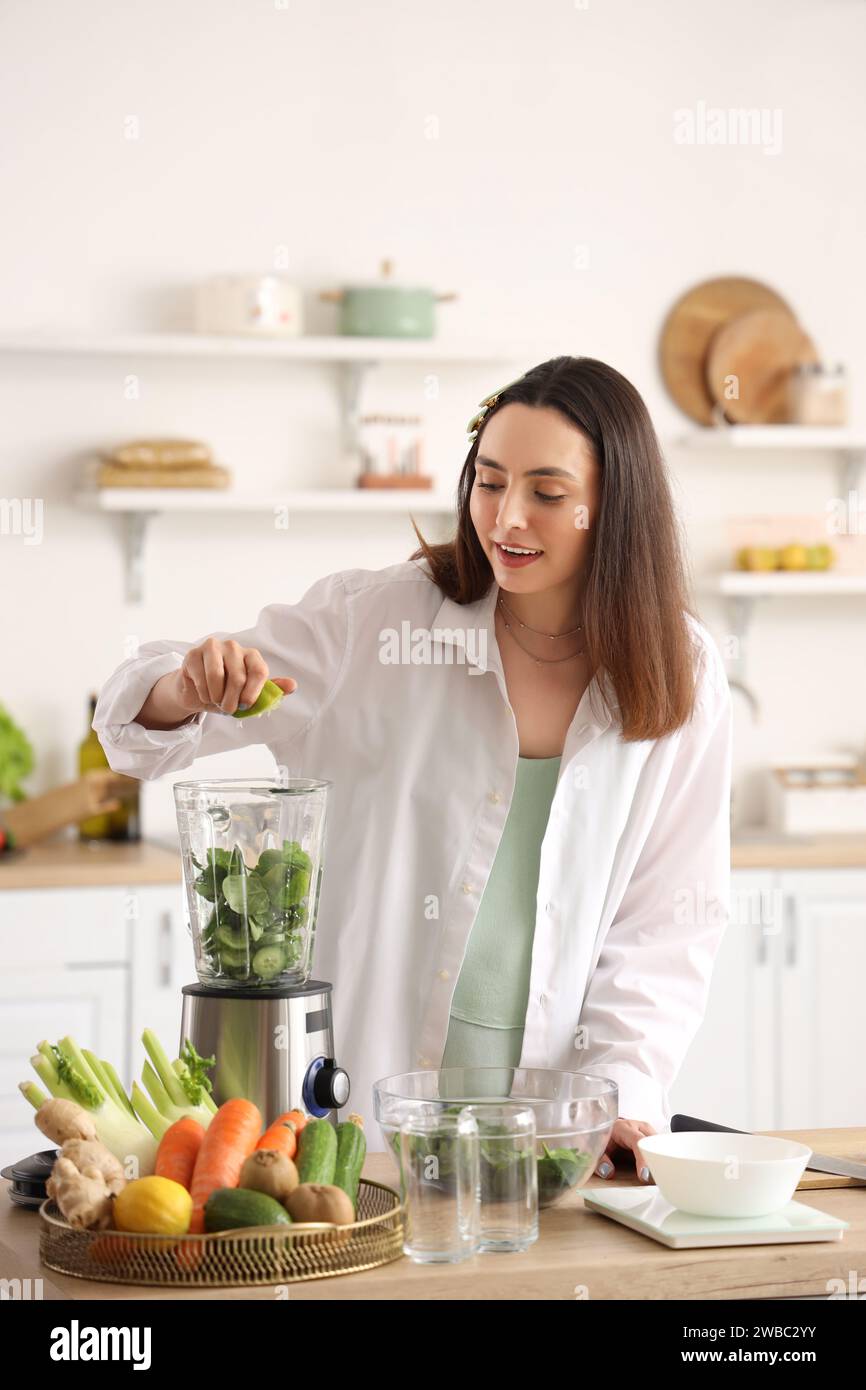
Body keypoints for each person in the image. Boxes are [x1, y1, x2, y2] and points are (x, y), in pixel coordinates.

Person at [93, 355, 732, 1181]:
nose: (507, 517)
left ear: (616, 503)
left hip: (549, 1133)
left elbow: (665, 927)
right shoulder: (376, 622)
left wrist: (623, 1094)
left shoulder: (680, 668)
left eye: (546, 492)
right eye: (489, 481)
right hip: (362, 1127)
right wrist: (187, 685)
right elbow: (133, 726)